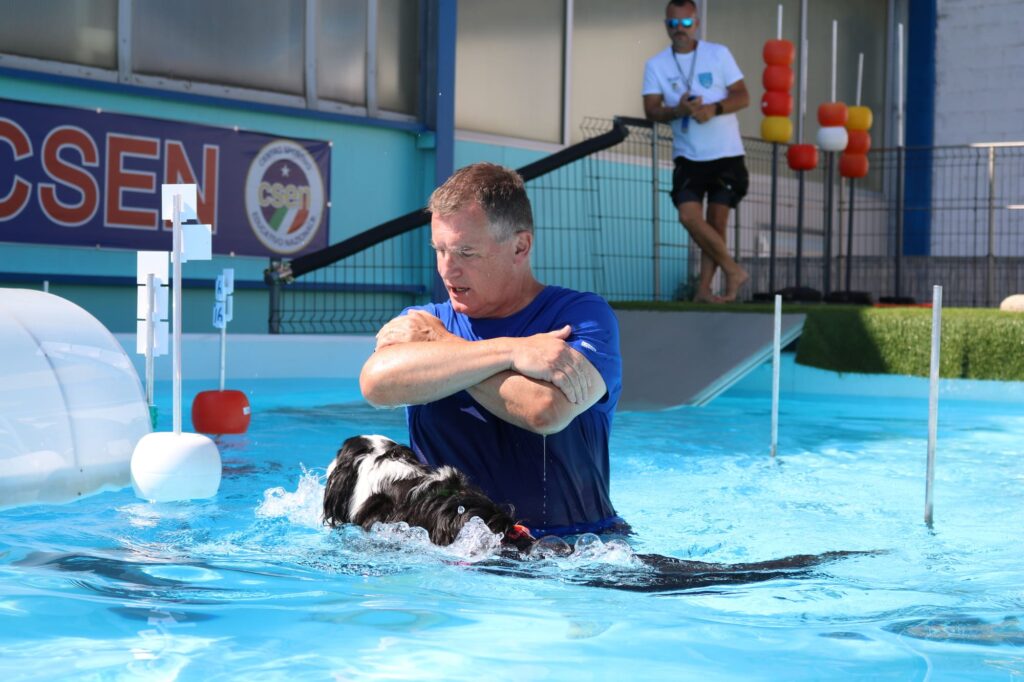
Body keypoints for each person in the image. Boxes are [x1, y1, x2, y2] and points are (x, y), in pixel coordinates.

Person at [359, 162, 627, 537]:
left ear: (520, 246)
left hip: (573, 553)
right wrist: (510, 352)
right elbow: (377, 384)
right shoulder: (426, 321)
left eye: (467, 253)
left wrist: (443, 350)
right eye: (440, 250)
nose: (448, 271)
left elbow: (543, 410)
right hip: (451, 553)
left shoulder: (581, 315)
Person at [643, 0, 751, 303]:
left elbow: (743, 96)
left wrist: (713, 109)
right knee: (689, 217)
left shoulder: (718, 54)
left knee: (717, 224)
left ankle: (706, 290)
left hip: (726, 152)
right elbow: (651, 109)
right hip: (688, 155)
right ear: (666, 25)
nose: (680, 30)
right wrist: (680, 110)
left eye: (686, 23)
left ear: (697, 22)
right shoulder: (656, 64)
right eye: (673, 24)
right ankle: (733, 270)